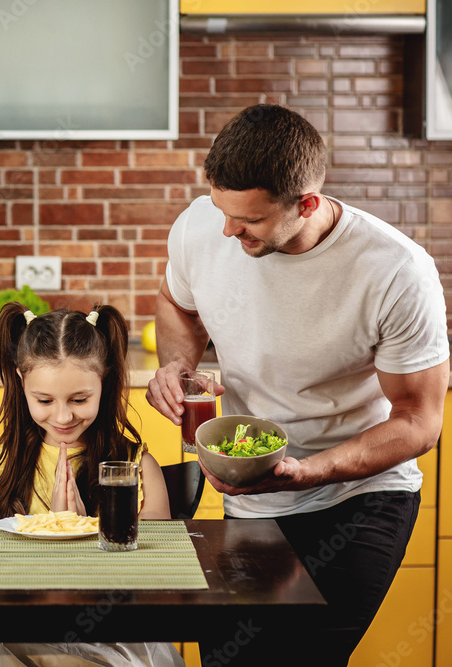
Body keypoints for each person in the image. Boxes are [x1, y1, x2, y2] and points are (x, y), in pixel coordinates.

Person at [146, 104, 448, 666]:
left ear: (306, 204)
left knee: (303, 658)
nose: (228, 231)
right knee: (228, 658)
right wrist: (177, 368)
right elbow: (176, 304)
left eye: (251, 221)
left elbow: (417, 421)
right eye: (221, 210)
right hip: (251, 497)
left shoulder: (396, 271)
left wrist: (306, 471)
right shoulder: (201, 227)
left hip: (358, 496)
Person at [0, 303, 184, 667]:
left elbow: (155, 572)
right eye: (43, 400)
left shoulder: (137, 468)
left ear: (105, 379)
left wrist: (81, 529)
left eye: (79, 399)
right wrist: (53, 534)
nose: (62, 416)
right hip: (28, 628)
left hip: (122, 632)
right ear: (21, 382)